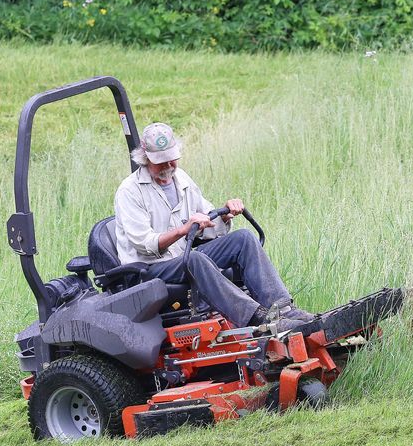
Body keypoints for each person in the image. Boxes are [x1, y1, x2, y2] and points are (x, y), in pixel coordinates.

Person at [114, 122, 313, 331]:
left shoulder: (182, 180)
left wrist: (225, 216)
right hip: (151, 268)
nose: (168, 166)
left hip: (184, 254)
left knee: (243, 238)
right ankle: (258, 318)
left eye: (171, 159)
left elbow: (209, 222)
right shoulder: (129, 191)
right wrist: (183, 230)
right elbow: (144, 244)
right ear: (145, 158)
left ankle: (283, 308)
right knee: (194, 259)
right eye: (160, 161)